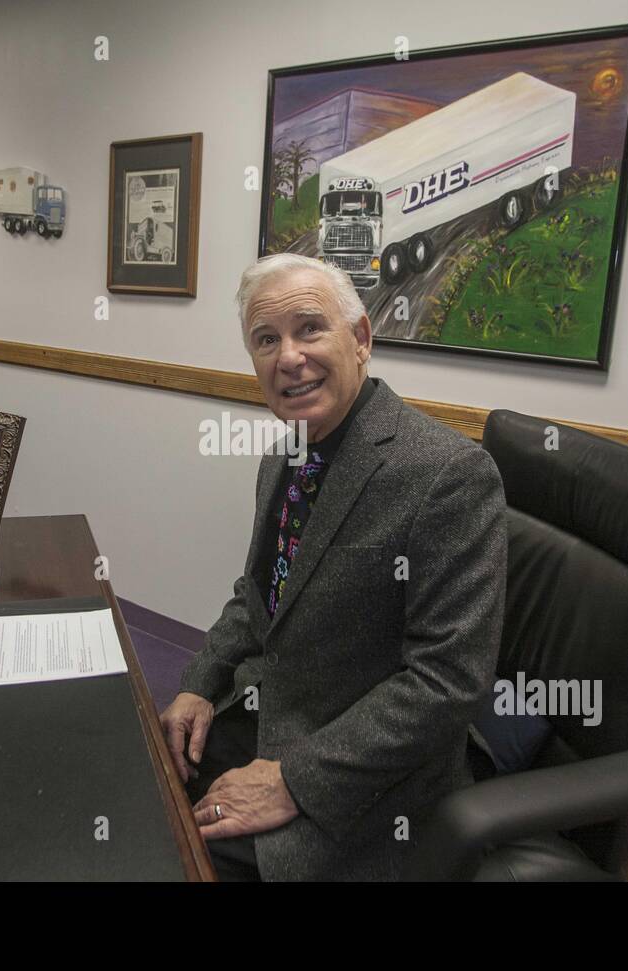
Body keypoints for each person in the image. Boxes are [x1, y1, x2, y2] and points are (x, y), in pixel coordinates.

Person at [160, 254, 506, 881]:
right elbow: (258, 595)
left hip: (369, 776)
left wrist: (292, 780)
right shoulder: (285, 453)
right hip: (273, 708)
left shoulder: (447, 474)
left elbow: (447, 683)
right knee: (150, 787)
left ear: (362, 340)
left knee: (182, 858)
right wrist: (198, 681)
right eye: (266, 340)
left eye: (309, 328)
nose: (288, 357)